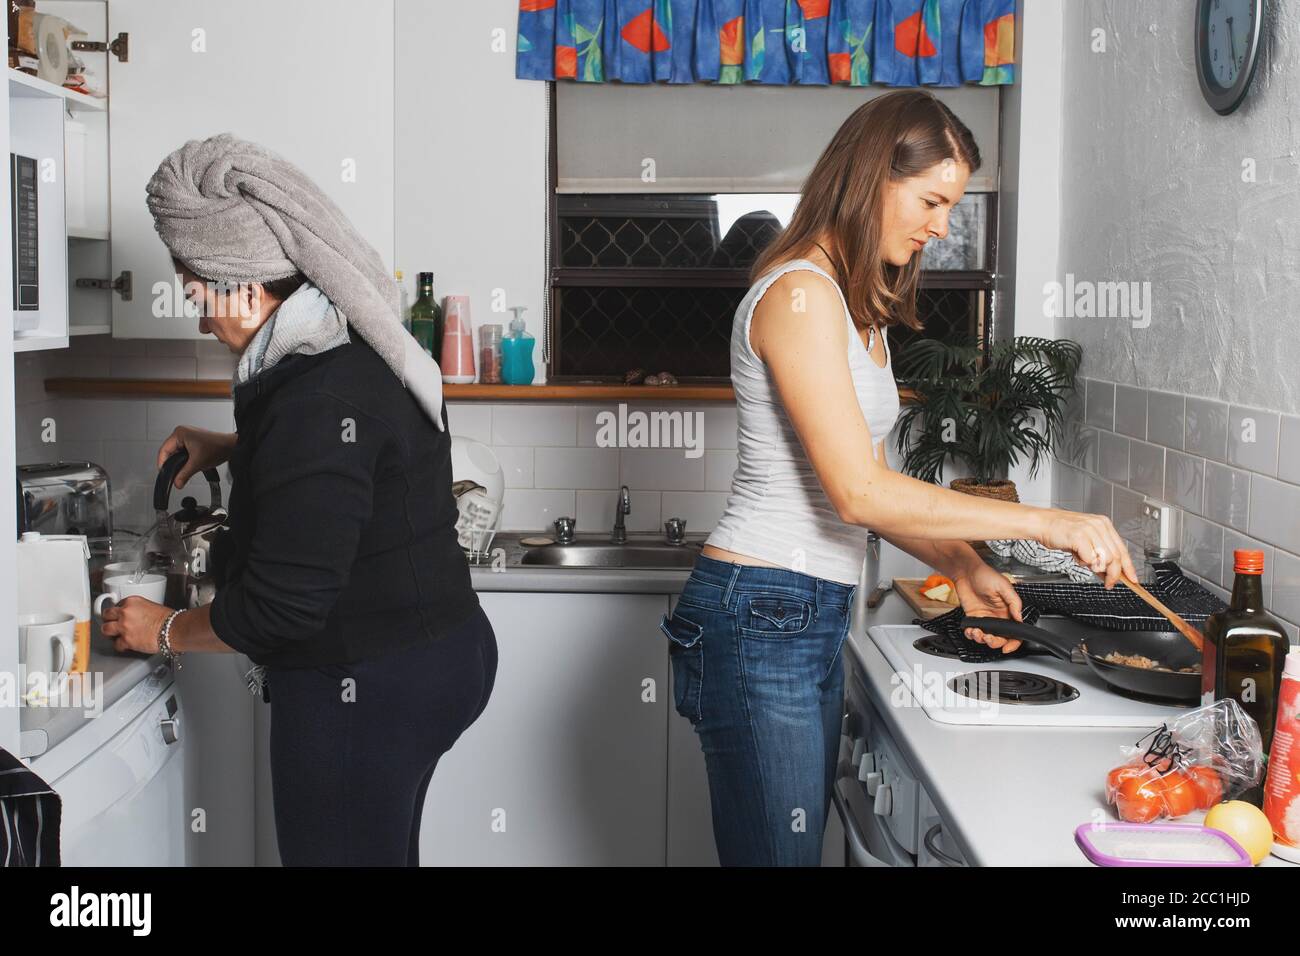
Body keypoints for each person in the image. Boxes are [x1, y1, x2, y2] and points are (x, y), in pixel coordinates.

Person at [662, 91, 1139, 867]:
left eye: (951, 205)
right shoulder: (798, 295)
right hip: (759, 615)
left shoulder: (857, 307)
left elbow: (870, 478)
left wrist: (964, 564)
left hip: (804, 612)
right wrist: (1047, 522)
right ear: (871, 177)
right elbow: (856, 493)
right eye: (931, 200)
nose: (942, 226)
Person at [100, 134, 496, 866]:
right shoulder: (345, 349)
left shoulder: (314, 401)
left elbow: (281, 609)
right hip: (433, 657)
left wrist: (165, 629)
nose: (199, 320)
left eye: (197, 296)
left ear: (245, 289)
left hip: (367, 684)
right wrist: (237, 447)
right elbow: (350, 462)